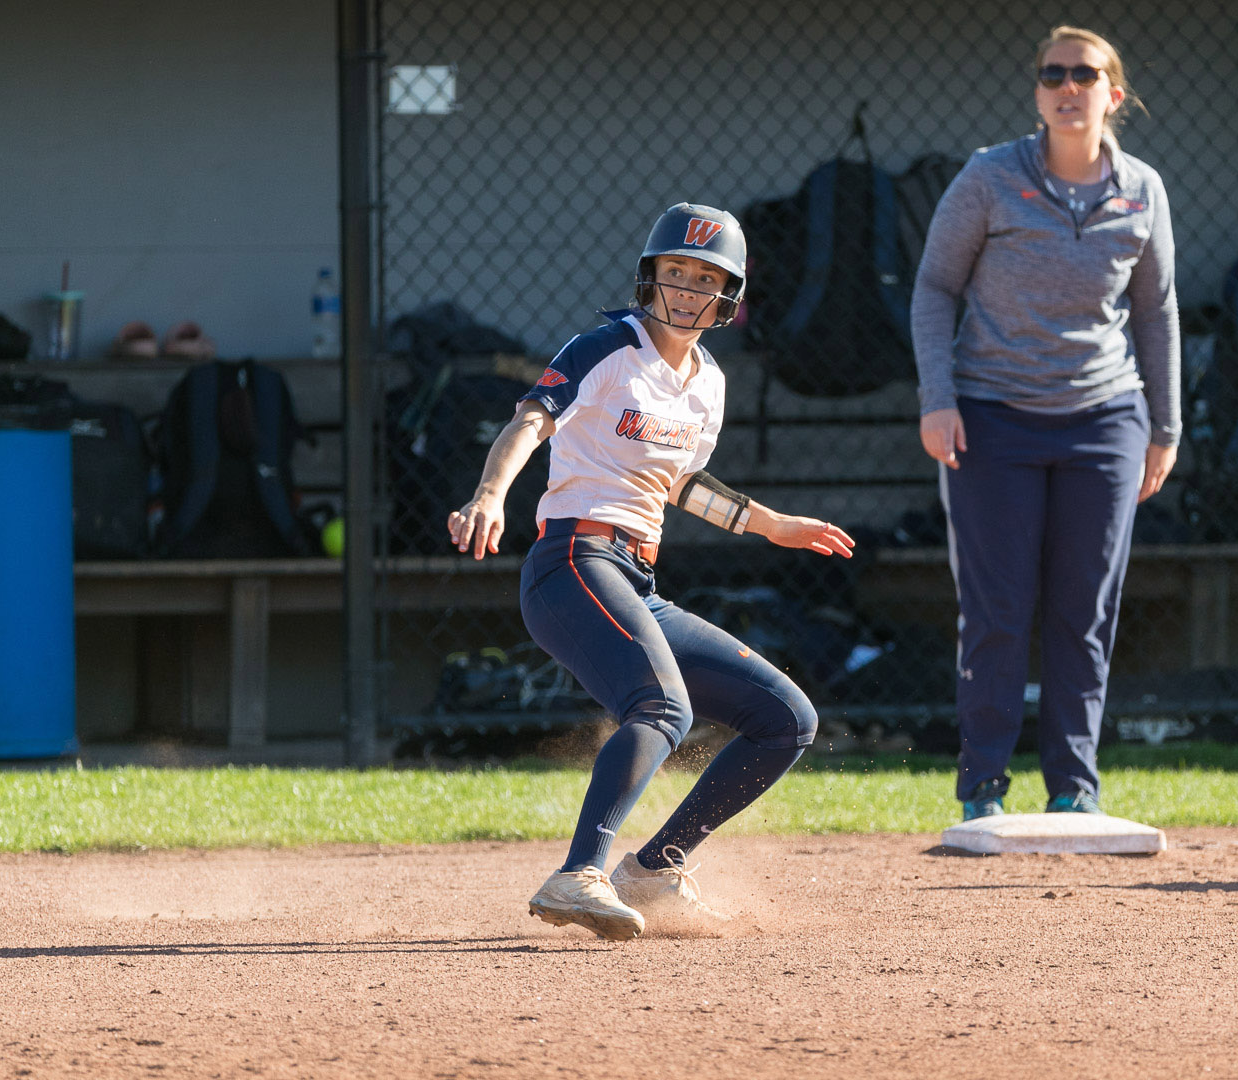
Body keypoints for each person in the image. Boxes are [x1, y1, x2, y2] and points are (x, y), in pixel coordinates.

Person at [447, 203, 856, 940]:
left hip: (636, 576)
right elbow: (531, 420)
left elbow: (680, 484)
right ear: (649, 277)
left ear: (728, 295)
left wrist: (771, 525)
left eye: (706, 278)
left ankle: (655, 869)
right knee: (663, 709)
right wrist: (489, 494)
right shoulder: (607, 347)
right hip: (573, 560)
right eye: (675, 271)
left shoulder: (707, 383)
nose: (688, 289)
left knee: (786, 719)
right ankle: (579, 874)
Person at [910, 26, 1179, 821]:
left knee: (1083, 609)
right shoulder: (989, 178)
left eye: (1083, 75)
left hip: (1105, 420)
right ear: (1037, 92)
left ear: (1112, 94)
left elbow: (1156, 312)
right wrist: (937, 398)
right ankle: (982, 788)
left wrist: (1165, 428)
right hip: (991, 419)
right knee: (998, 608)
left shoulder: (1143, 190)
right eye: (1052, 74)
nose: (1067, 86)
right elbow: (933, 288)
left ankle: (1074, 788)